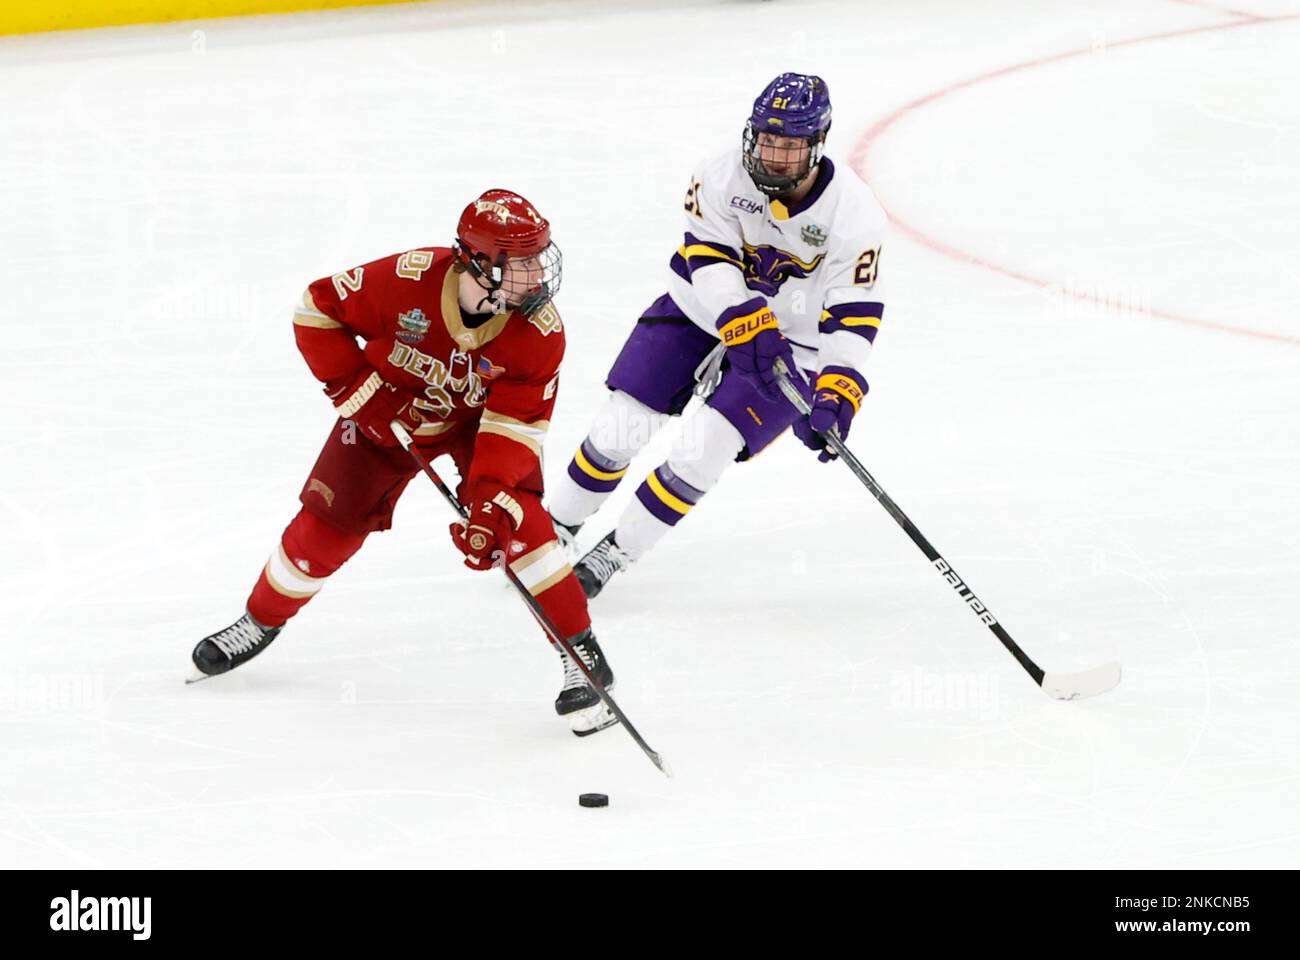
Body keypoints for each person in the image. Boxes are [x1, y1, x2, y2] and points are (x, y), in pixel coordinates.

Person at [192, 190, 617, 736]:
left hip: (473, 427)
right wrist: (358, 391)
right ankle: (259, 620)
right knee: (323, 532)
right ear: (480, 263)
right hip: (383, 413)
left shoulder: (539, 333)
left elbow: (513, 429)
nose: (538, 274)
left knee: (520, 526)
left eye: (540, 256)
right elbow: (316, 309)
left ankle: (581, 656)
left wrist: (488, 501)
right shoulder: (405, 280)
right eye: (523, 261)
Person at [547, 73, 889, 597]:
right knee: (621, 428)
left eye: (790, 145)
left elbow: (854, 310)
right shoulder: (720, 175)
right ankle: (554, 529)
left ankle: (618, 552)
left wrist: (840, 383)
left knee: (705, 449)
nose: (773, 155)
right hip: (696, 311)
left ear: (818, 146)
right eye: (767, 139)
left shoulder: (855, 214)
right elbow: (706, 255)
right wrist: (741, 313)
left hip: (792, 344)